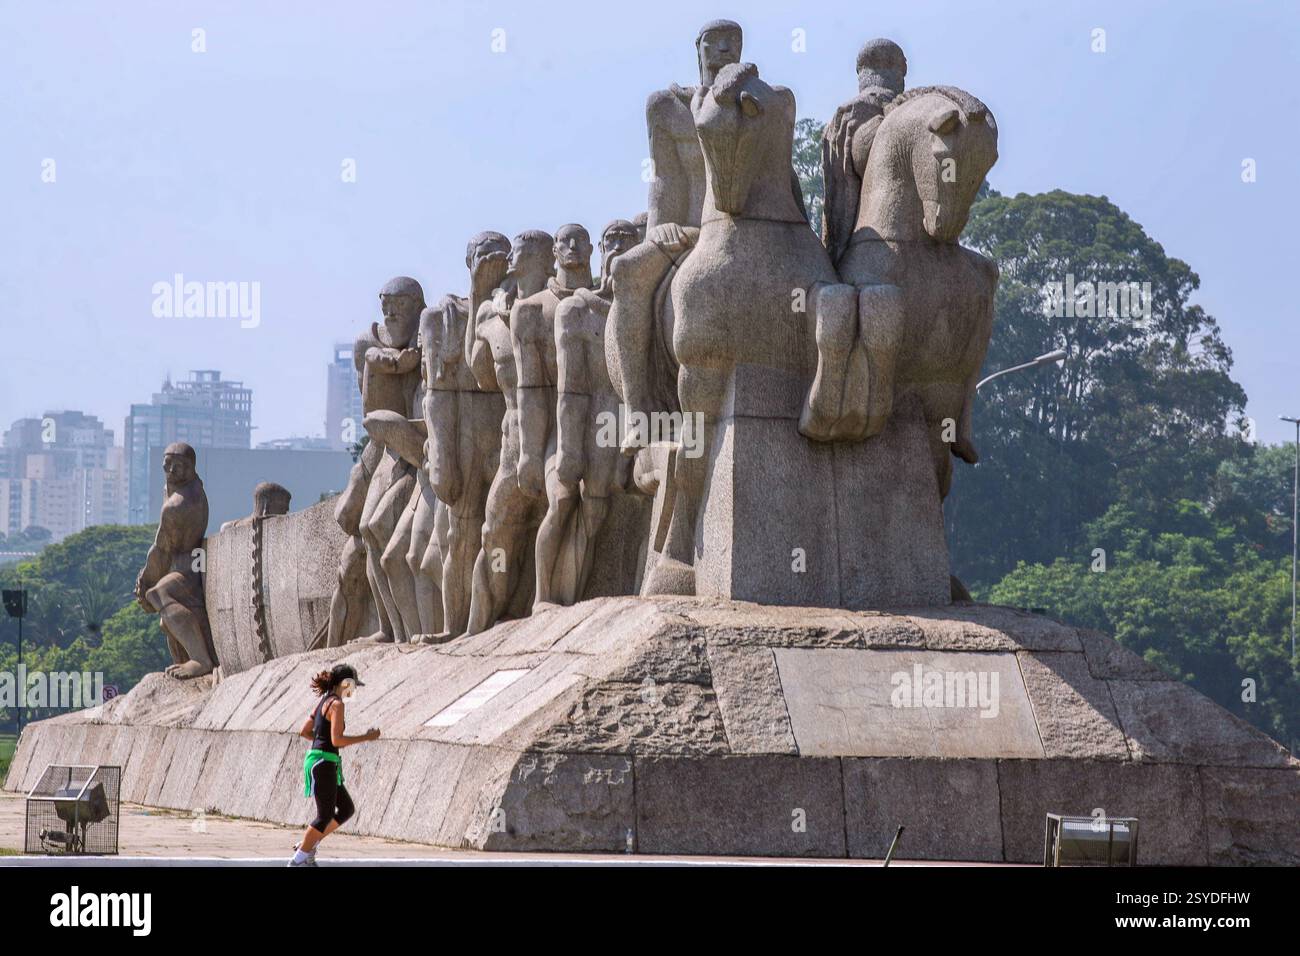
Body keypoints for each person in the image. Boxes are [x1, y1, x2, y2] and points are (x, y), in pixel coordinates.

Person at [288, 664, 379, 866]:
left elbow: (304, 731)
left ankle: (309, 844)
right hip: (323, 763)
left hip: (321, 760)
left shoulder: (324, 701)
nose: (353, 691)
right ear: (346, 684)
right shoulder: (337, 704)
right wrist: (367, 737)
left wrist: (322, 743)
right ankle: (298, 860)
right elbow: (337, 740)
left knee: (345, 808)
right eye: (353, 686)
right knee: (324, 816)